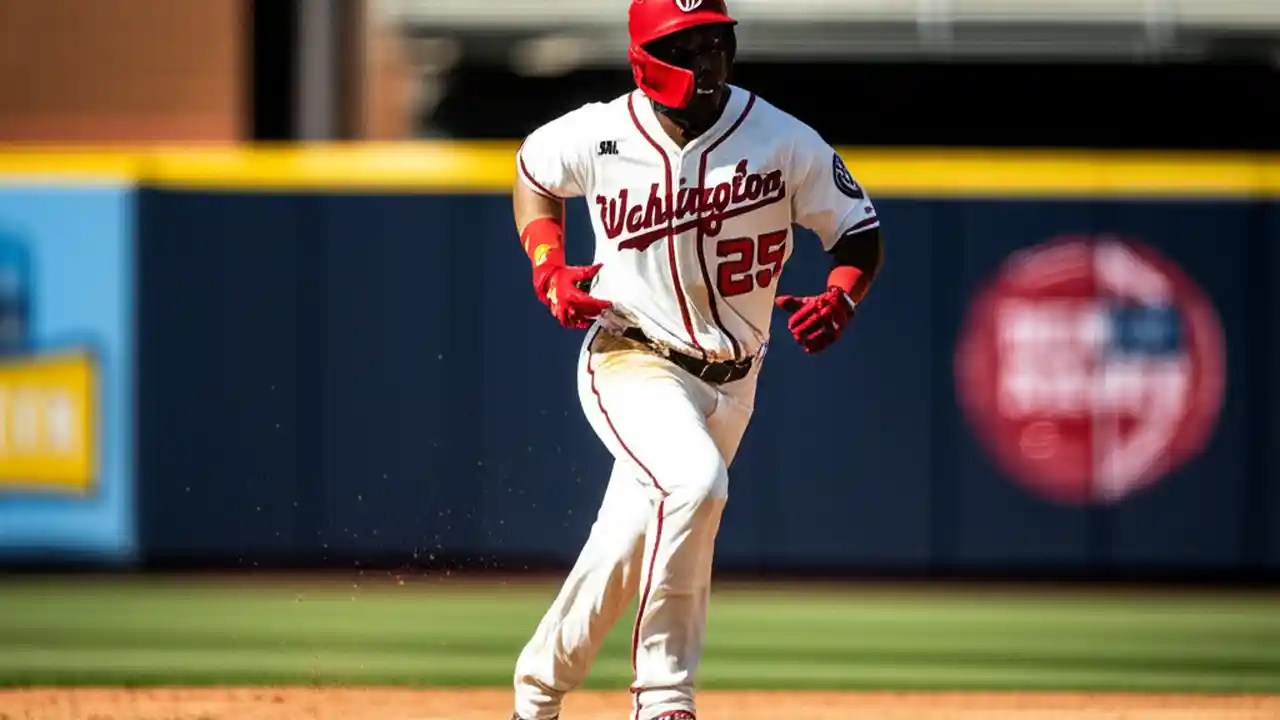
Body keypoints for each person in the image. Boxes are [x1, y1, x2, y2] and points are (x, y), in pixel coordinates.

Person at [508, 1, 884, 718]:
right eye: (687, 46)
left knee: (622, 554)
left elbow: (857, 231)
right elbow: (534, 173)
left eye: (716, 41)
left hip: (735, 382)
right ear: (645, 60)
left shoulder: (780, 138)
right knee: (697, 484)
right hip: (632, 356)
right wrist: (547, 265)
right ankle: (664, 697)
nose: (707, 59)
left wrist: (843, 295)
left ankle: (536, 693)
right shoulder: (601, 132)